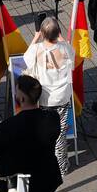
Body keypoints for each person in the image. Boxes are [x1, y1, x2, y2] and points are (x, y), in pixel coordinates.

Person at [21, 16, 75, 177]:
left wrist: (36, 37)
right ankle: (61, 166)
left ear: (43, 34)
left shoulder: (37, 49)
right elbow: (71, 54)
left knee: (45, 133)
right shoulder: (65, 48)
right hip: (63, 97)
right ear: (58, 32)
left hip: (44, 99)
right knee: (60, 133)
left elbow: (25, 59)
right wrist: (60, 37)